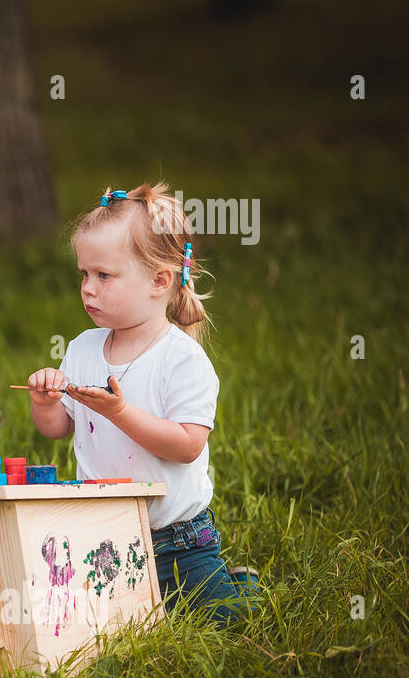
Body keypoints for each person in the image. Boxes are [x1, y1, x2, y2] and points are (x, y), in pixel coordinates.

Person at [26, 182, 259, 624]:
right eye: (84, 274)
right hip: (103, 535)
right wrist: (46, 402)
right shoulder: (82, 348)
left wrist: (120, 413)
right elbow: (59, 427)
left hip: (178, 541)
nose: (88, 289)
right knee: (91, 628)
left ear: (159, 280)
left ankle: (240, 585)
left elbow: (188, 445)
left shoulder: (182, 358)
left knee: (223, 618)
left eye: (104, 276)